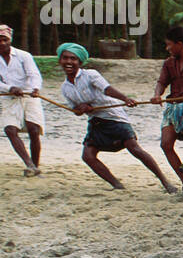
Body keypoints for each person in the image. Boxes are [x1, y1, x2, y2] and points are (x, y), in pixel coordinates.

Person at [57, 42, 176, 192]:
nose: (69, 62)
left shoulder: (90, 75)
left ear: (79, 62)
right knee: (88, 156)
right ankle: (117, 185)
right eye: (65, 58)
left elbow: (106, 89)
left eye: (73, 59)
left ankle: (165, 182)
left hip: (114, 117)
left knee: (134, 149)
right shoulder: (65, 87)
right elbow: (75, 109)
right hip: (96, 121)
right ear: (60, 61)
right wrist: (81, 109)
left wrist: (125, 99)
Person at [0, 24, 44, 175]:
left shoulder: (24, 56)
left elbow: (34, 74)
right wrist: (10, 88)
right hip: (9, 98)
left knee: (33, 129)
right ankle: (29, 164)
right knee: (10, 130)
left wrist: (35, 88)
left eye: (4, 39)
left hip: (29, 95)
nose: (2, 43)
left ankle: (35, 165)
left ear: (9, 39)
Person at [150, 25, 183, 195]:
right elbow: (161, 82)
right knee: (165, 144)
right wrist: (157, 95)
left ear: (179, 44)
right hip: (172, 108)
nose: (167, 48)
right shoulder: (169, 63)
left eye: (169, 44)